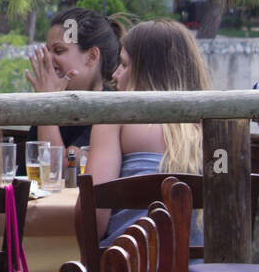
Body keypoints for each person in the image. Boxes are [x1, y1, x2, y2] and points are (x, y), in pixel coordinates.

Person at [83, 19, 206, 246]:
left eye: (125, 65)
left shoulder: (114, 120)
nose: (115, 75)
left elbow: (91, 220)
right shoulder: (217, 128)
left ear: (150, 73)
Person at [25, 7, 124, 150]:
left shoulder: (110, 109)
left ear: (92, 56)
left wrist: (47, 103)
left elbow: (59, 169)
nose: (48, 59)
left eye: (59, 51)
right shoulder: (51, 98)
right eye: (48, 51)